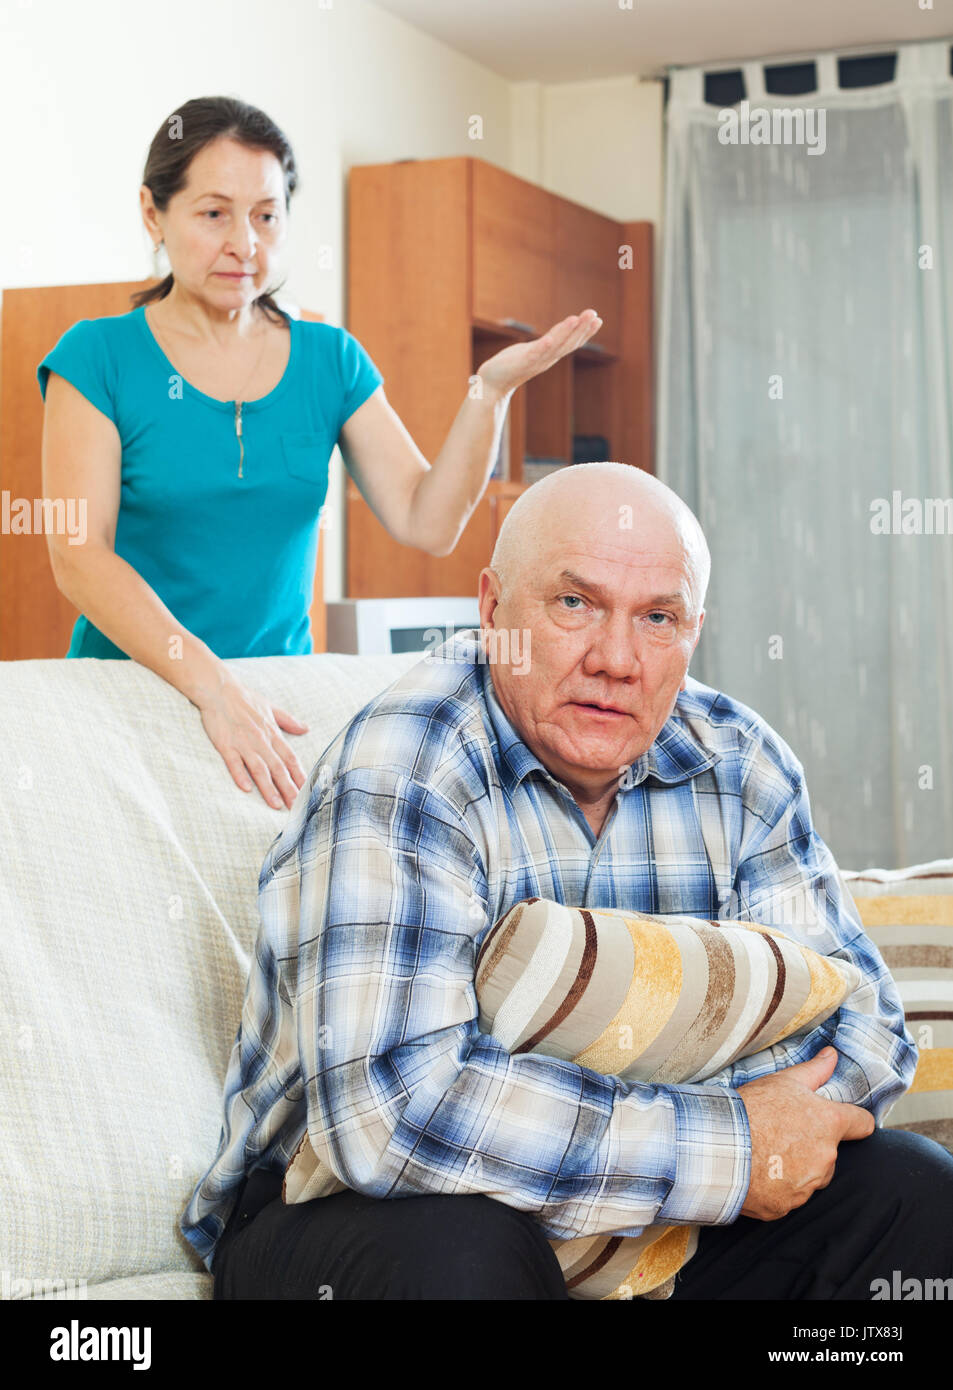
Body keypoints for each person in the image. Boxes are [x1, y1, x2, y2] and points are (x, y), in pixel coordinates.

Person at [181, 460, 953, 1299]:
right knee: (461, 1255)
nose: (616, 658)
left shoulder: (741, 761)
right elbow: (388, 1120)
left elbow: (867, 1031)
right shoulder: (404, 763)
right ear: (491, 609)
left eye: (657, 617)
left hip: (656, 1218)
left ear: (694, 630)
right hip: (348, 1208)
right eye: (574, 604)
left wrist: (716, 1144)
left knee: (910, 1191)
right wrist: (724, 1145)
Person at [37, 94, 600, 812]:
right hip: (124, 700)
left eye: (267, 215)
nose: (245, 243)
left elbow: (426, 520)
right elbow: (78, 554)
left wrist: (488, 395)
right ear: (154, 213)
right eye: (214, 214)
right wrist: (213, 686)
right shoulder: (97, 357)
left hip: (276, 704)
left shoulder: (328, 360)